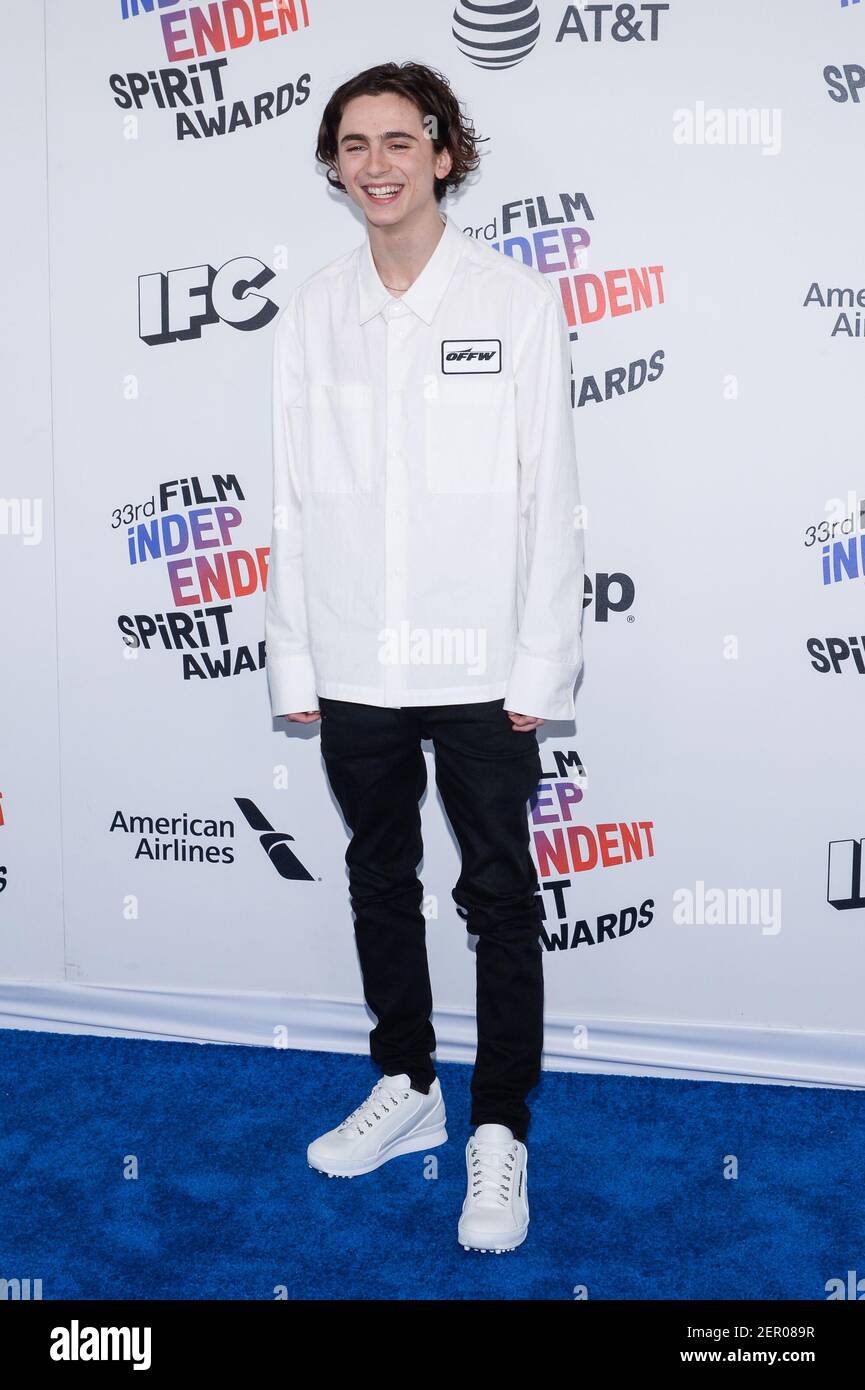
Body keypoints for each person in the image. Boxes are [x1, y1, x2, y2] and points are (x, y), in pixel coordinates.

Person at [264, 60, 585, 1253]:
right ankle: (409, 1086)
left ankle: (498, 1128)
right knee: (375, 877)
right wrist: (295, 666)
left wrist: (540, 671)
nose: (378, 165)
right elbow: (293, 501)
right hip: (353, 662)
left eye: (402, 141)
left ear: (445, 152)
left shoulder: (513, 302)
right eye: (355, 145)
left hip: (485, 667)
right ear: (335, 166)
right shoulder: (311, 310)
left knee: (499, 896)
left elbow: (549, 497)